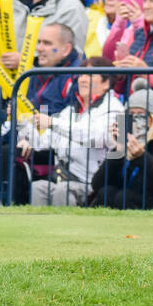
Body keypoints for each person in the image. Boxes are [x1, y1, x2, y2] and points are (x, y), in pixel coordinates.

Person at [26, 58, 122, 206]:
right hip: (61, 178)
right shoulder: (70, 111)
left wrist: (52, 123)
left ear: (106, 83)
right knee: (37, 188)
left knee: (62, 191)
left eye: (90, 75)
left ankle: (67, 229)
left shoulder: (115, 109)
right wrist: (24, 124)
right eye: (81, 75)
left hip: (91, 182)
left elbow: (94, 136)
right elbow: (43, 141)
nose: (82, 79)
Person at [90, 87, 153, 209]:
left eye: (141, 115)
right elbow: (97, 185)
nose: (136, 121)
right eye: (130, 115)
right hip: (127, 199)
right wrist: (117, 151)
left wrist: (142, 158)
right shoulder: (124, 141)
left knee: (123, 197)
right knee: (106, 193)